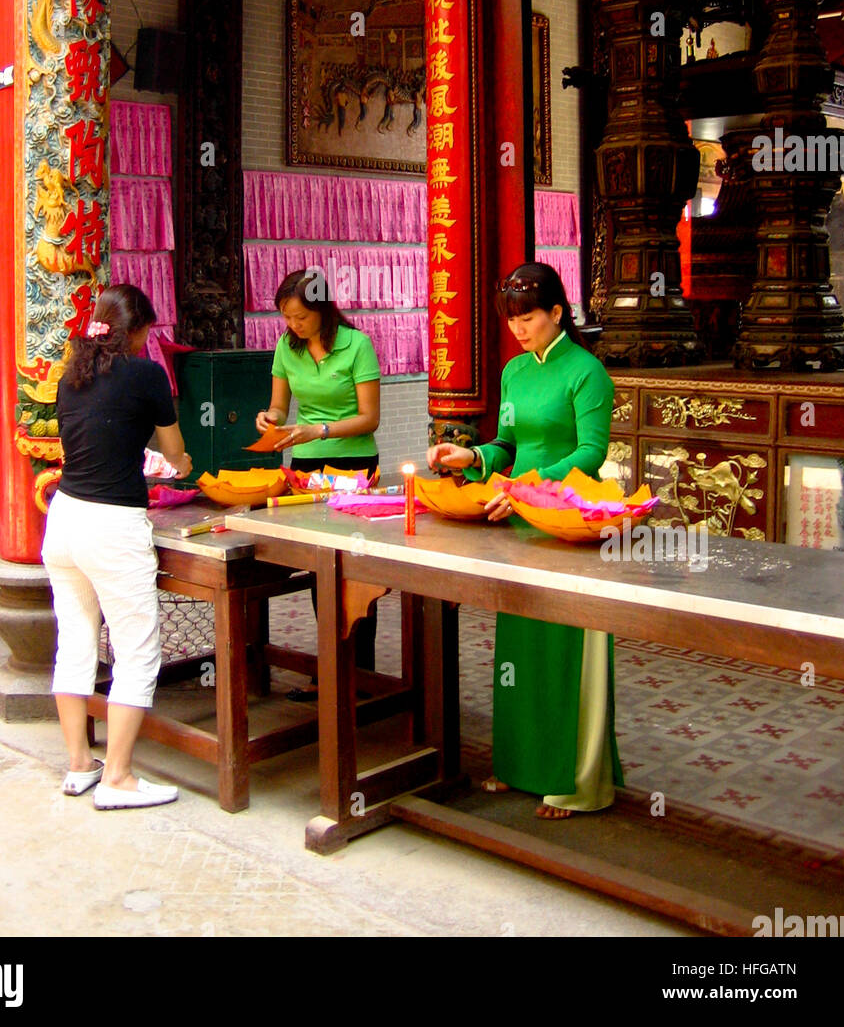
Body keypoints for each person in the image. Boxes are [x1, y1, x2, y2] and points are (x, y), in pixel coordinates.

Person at [426, 262, 621, 818]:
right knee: (519, 646)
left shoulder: (587, 373)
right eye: (511, 319)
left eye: (529, 317)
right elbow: (507, 445)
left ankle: (576, 780)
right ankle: (519, 765)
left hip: (570, 523)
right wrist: (473, 456)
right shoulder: (514, 372)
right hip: (520, 522)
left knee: (563, 649)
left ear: (557, 313)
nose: (518, 328)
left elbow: (591, 453)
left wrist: (533, 489)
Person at [41, 284, 193, 809]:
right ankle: (120, 779)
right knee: (136, 650)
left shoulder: (70, 377)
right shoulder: (146, 374)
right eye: (147, 332)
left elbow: (89, 444)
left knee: (77, 640)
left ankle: (81, 764)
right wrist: (181, 464)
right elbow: (173, 454)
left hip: (63, 521)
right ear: (137, 332)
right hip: (112, 526)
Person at [256, 267, 381, 693]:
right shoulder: (285, 347)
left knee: (355, 565)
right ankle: (330, 670)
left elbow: (370, 418)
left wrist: (321, 431)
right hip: (306, 467)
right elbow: (279, 406)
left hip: (354, 467)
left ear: (323, 310)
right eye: (287, 318)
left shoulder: (356, 345)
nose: (293, 325)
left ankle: (361, 673)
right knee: (320, 565)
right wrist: (269, 419)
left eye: (301, 317)